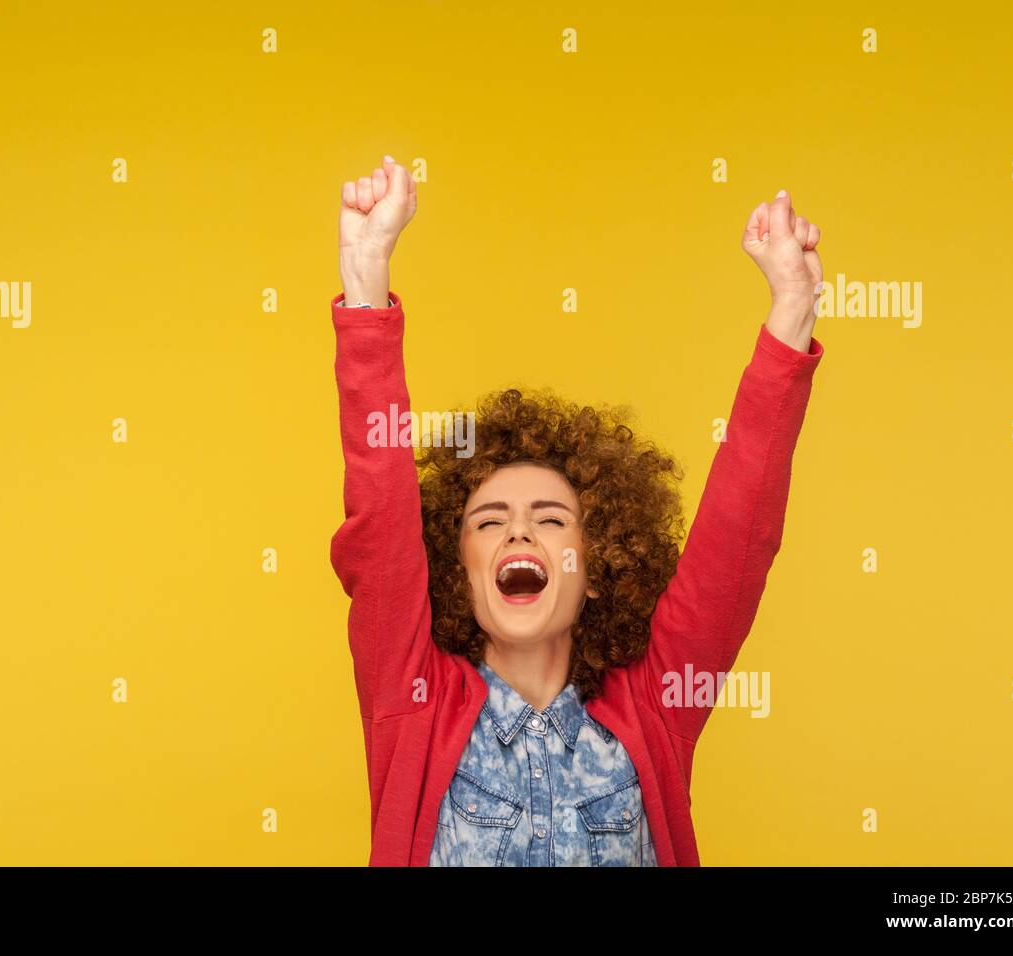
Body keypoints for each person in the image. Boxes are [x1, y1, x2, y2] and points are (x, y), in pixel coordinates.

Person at [331, 154, 824, 866]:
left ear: (596, 569)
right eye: (489, 520)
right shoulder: (414, 704)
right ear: (455, 571)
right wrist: (366, 273)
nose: (519, 528)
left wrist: (792, 309)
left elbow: (737, 540)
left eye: (552, 519)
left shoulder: (654, 708)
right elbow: (379, 520)